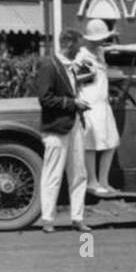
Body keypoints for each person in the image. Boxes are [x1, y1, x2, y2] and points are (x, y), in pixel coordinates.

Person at [36, 29, 91, 233]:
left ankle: (77, 218)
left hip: (73, 124)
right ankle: (48, 219)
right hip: (56, 127)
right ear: (68, 44)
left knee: (79, 173)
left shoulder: (69, 67)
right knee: (53, 174)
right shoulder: (49, 66)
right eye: (77, 45)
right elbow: (45, 98)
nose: (79, 50)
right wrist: (73, 103)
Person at [73, 19, 120, 196]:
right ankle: (92, 181)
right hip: (90, 104)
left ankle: (103, 180)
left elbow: (115, 49)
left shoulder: (100, 52)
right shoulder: (83, 56)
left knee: (110, 142)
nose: (100, 42)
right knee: (91, 144)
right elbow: (77, 81)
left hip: (103, 104)